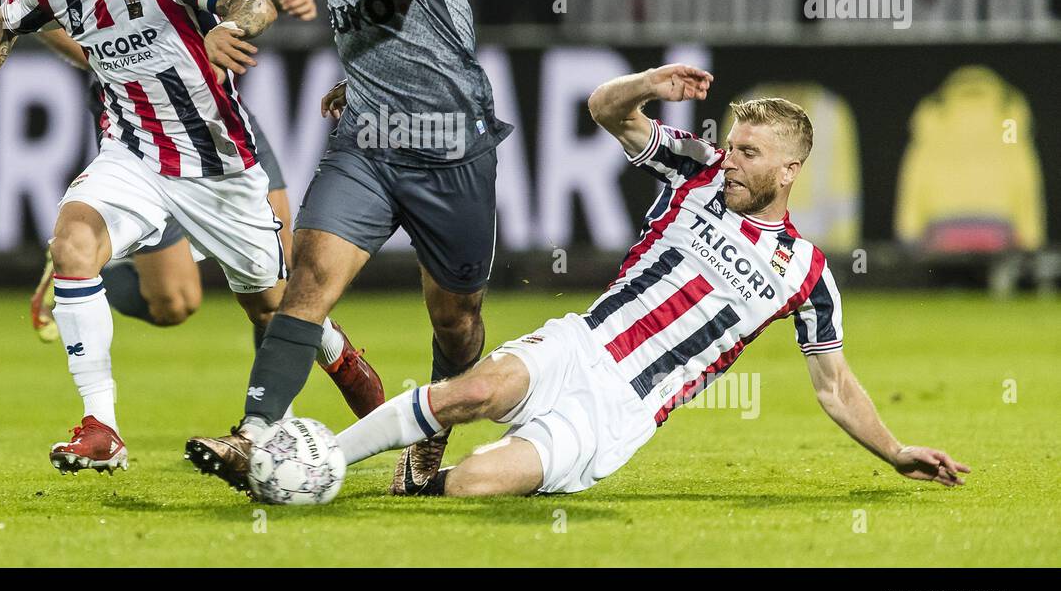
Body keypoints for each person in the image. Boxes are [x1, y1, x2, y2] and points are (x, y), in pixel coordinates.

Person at [334, 65, 971, 496]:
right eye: (734, 145)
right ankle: (324, 461)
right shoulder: (696, 169)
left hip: (621, 410)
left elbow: (834, 387)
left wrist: (894, 451)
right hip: (579, 345)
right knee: (470, 393)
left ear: (789, 170)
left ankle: (422, 481)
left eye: (750, 154)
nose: (733, 162)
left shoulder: (806, 273)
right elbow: (604, 109)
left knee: (478, 483)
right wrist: (649, 84)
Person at [27, 0, 384, 419]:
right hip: (143, 124)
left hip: (222, 114)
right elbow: (47, 7)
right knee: (176, 304)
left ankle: (266, 423)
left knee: (275, 280)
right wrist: (112, 61)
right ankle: (84, 270)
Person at [185, 0, 513, 494]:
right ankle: (254, 434)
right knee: (307, 281)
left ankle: (430, 442)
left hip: (449, 146)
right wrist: (351, 80)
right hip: (366, 142)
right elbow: (387, 24)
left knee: (456, 320)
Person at [0, 0, 285, 473]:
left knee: (255, 307)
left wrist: (226, 24)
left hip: (219, 155)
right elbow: (0, 27)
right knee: (73, 239)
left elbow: (252, 2)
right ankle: (103, 426)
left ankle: (321, 394)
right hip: (136, 153)